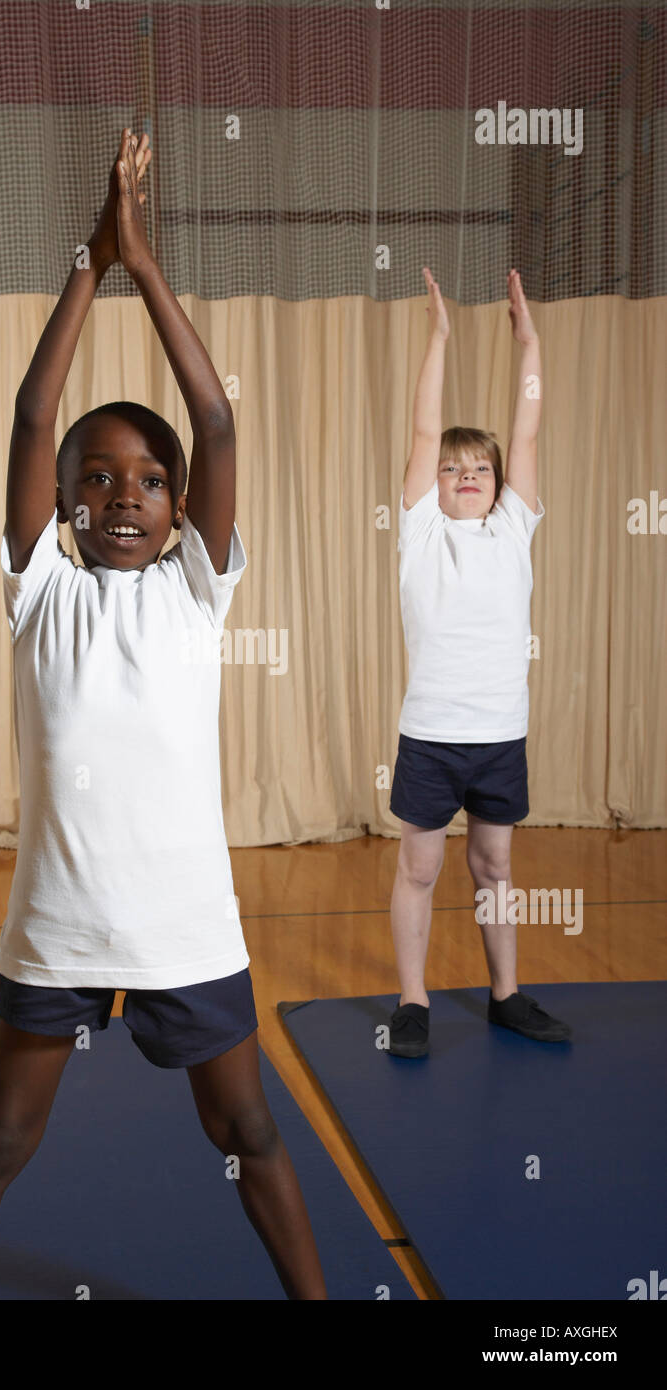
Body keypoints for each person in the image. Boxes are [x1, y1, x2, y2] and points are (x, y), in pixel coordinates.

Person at [0, 129, 326, 1299]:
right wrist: (85, 268)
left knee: (246, 1135)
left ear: (181, 504)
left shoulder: (197, 591)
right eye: (95, 476)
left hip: (186, 925)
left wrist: (143, 263)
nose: (122, 495)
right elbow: (27, 416)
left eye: (149, 479)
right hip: (58, 924)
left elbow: (221, 422)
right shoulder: (37, 585)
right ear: (60, 501)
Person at [387, 266, 571, 1058]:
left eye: (481, 470)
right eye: (454, 470)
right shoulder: (421, 532)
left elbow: (525, 430)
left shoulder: (512, 531)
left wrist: (528, 344)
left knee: (495, 866)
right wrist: (440, 337)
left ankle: (506, 995)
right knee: (421, 871)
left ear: (499, 488)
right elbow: (426, 432)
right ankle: (414, 1001)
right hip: (431, 734)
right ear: (436, 485)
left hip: (499, 733)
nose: (466, 476)